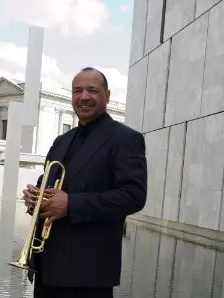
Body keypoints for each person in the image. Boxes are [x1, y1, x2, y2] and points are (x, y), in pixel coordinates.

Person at [23, 67, 147, 298]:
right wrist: (35, 199)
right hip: (47, 267)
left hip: (89, 274)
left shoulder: (126, 139)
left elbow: (134, 195)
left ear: (107, 97)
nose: (84, 96)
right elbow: (49, 187)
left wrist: (71, 205)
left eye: (92, 90)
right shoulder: (61, 141)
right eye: (77, 90)